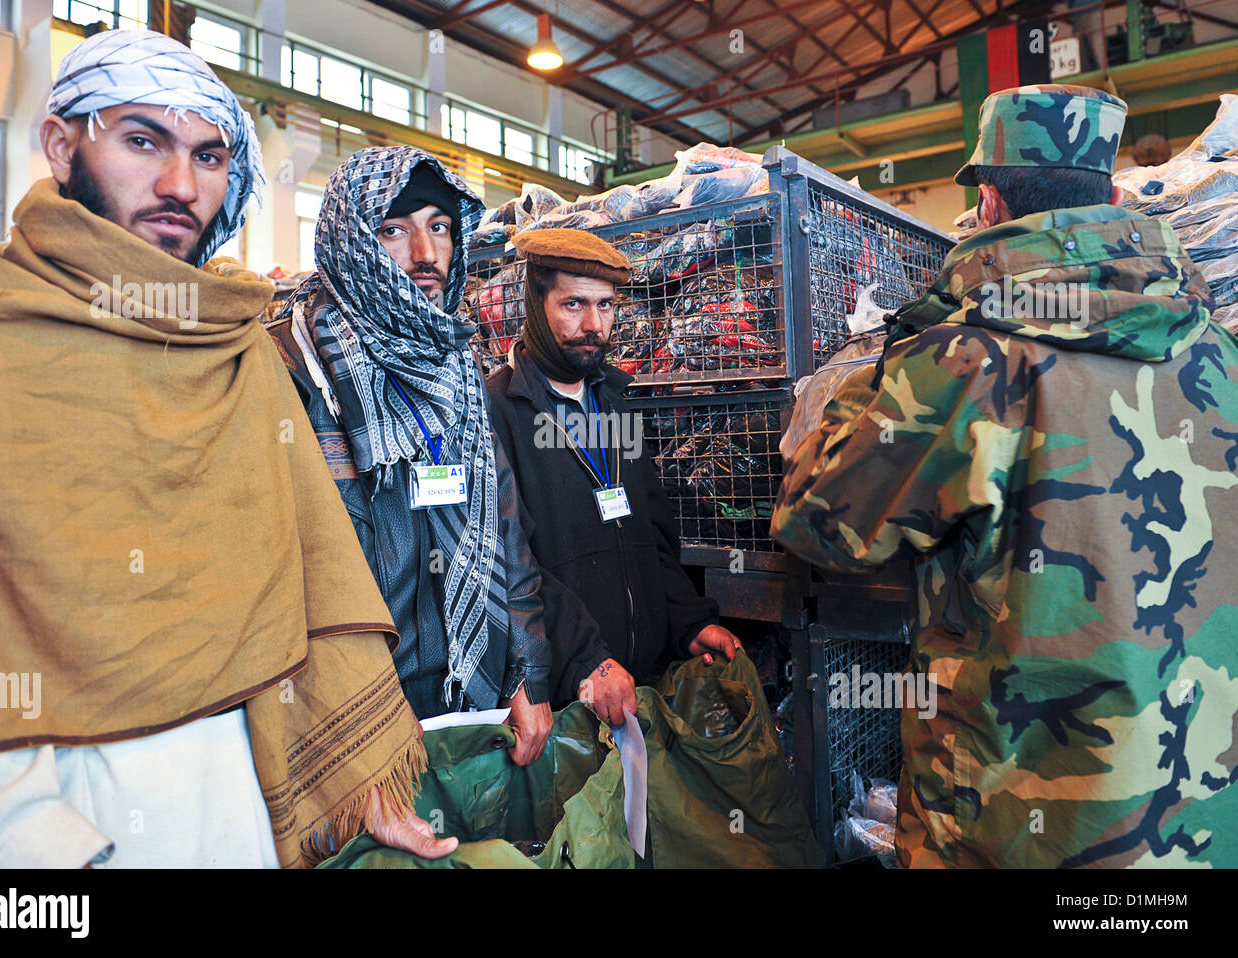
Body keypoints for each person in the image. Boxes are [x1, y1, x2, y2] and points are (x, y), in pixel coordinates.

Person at [0, 29, 455, 868]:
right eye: (143, 141)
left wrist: (357, 790)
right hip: (56, 823)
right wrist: (38, 854)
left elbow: (300, 588)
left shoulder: (236, 351)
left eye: (210, 157)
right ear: (62, 144)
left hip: (244, 805)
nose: (181, 184)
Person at [772, 85, 1238, 868]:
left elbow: (819, 520)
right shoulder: (1218, 357)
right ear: (1117, 196)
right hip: (1202, 813)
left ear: (986, 202)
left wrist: (891, 356)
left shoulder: (965, 359)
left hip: (1023, 819)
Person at [264, 146, 554, 764]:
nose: (425, 255)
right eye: (394, 229)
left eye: (440, 227)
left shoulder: (459, 366)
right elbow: (280, 580)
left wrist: (530, 671)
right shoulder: (295, 367)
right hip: (353, 715)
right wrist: (350, 722)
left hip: (472, 699)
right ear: (351, 240)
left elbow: (507, 535)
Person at [485, 228, 742, 727]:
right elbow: (509, 565)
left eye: (606, 306)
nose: (593, 325)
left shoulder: (617, 403)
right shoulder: (497, 411)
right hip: (564, 697)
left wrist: (687, 620)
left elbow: (651, 537)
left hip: (637, 686)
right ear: (536, 307)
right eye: (574, 304)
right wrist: (585, 660)